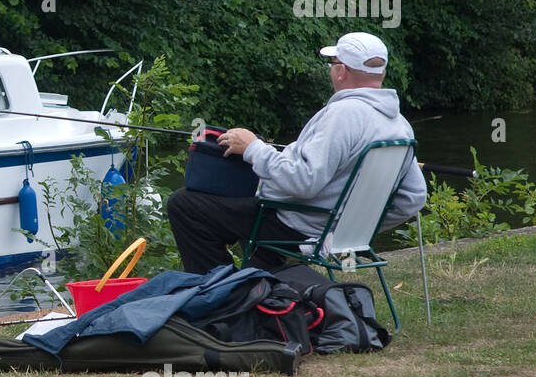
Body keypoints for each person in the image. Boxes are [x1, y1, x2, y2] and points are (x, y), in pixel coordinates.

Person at [167, 32, 427, 274]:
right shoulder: (400, 126)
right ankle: (257, 285)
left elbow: (303, 181)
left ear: (341, 71)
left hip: (295, 226)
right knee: (243, 203)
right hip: (328, 229)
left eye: (332, 64)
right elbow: (414, 198)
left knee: (185, 205)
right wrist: (354, 229)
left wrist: (253, 148)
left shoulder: (342, 115)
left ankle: (220, 294)